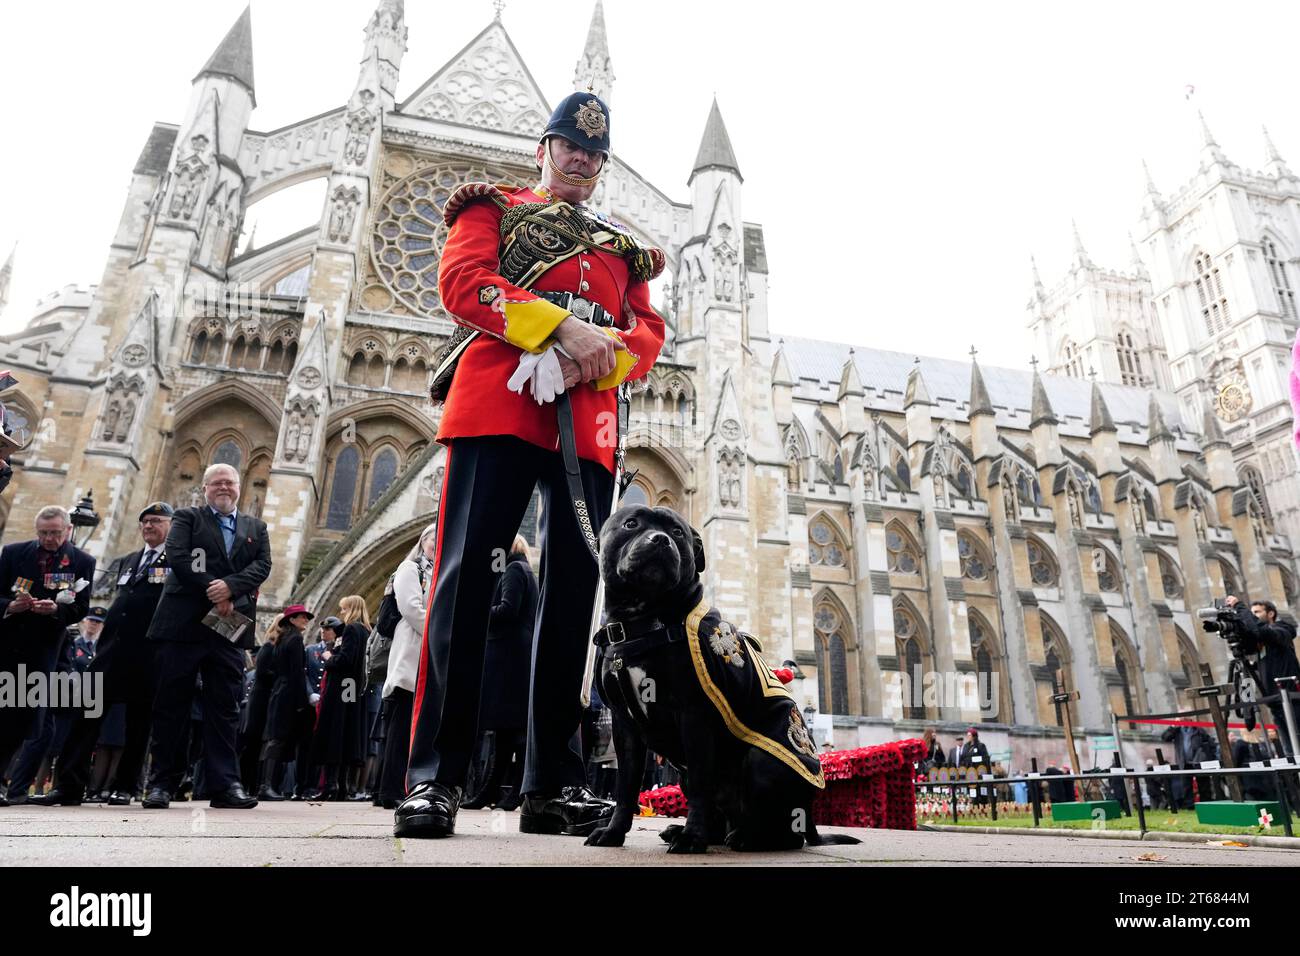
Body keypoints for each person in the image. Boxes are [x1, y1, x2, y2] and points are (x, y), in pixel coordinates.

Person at [396, 90, 666, 839]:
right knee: (463, 581)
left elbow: (648, 328)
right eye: (568, 147)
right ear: (543, 149)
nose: (580, 160)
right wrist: (558, 329)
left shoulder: (627, 248)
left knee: (574, 598)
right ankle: (435, 781)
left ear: (603, 165)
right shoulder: (492, 207)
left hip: (589, 421)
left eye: (593, 154)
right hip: (496, 405)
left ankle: (550, 785)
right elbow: (465, 285)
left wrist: (599, 360)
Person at [142, 463, 272, 810]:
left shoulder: (255, 527)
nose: (224, 488)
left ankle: (225, 785)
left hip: (228, 628)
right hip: (183, 624)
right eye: (217, 483)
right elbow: (179, 557)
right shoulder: (187, 517)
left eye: (230, 483)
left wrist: (230, 588)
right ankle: (161, 784)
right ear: (205, 488)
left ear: (240, 488)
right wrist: (213, 589)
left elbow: (262, 566)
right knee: (172, 706)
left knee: (225, 708)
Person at [32, 503, 175, 807]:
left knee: (138, 724)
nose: (148, 526)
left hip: (148, 654)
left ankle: (125, 787)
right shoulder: (127, 561)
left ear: (171, 525)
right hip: (110, 652)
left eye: (156, 521)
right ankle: (69, 786)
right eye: (144, 522)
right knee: (86, 718)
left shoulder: (178, 560)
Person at [0, 505, 96, 805]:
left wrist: (57, 609)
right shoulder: (14, 553)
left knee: (21, 720)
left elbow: (81, 606)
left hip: (44, 652)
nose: (49, 539)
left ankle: (5, 783)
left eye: (55, 533)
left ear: (67, 530)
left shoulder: (81, 562)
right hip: (7, 647)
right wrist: (10, 606)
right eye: (43, 533)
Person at [462, 535, 538, 811]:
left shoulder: (514, 569)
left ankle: (512, 790)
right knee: (509, 730)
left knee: (512, 730)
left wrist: (478, 612)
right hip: (514, 655)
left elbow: (508, 609)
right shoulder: (524, 570)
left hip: (508, 656)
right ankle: (495, 790)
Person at [378, 524, 435, 809]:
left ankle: (402, 786)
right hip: (411, 655)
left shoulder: (437, 572)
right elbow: (411, 608)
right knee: (400, 729)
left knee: (413, 731)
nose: (437, 544)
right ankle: (390, 791)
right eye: (432, 540)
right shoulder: (410, 569)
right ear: (423, 542)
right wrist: (440, 630)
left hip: (426, 657)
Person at [309, 599, 368, 800]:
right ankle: (342, 786)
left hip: (341, 686)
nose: (342, 612)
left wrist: (329, 657)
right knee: (346, 730)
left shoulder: (351, 629)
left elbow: (345, 660)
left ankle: (331, 786)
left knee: (335, 730)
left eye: (343, 608)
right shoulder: (363, 631)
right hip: (350, 687)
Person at [1227, 595, 1300, 754]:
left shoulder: (1282, 630)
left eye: (1257, 612)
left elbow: (1261, 630)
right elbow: (1251, 638)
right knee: (1290, 753)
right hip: (1275, 702)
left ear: (1270, 614)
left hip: (1292, 698)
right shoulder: (1260, 640)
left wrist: (1240, 607)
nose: (1254, 615)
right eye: (1252, 612)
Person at [261, 606, 315, 801]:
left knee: (277, 738)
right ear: (292, 619)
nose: (306, 620)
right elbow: (297, 673)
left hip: (279, 692)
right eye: (302, 617)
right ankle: (266, 786)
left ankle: (268, 785)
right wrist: (301, 702)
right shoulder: (296, 639)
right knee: (278, 740)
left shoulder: (282, 638)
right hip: (289, 695)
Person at [239, 616, 280, 793]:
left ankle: (256, 785)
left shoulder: (275, 648)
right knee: (254, 744)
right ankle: (248, 784)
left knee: (262, 745)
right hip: (261, 701)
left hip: (268, 700)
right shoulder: (268, 648)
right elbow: (263, 673)